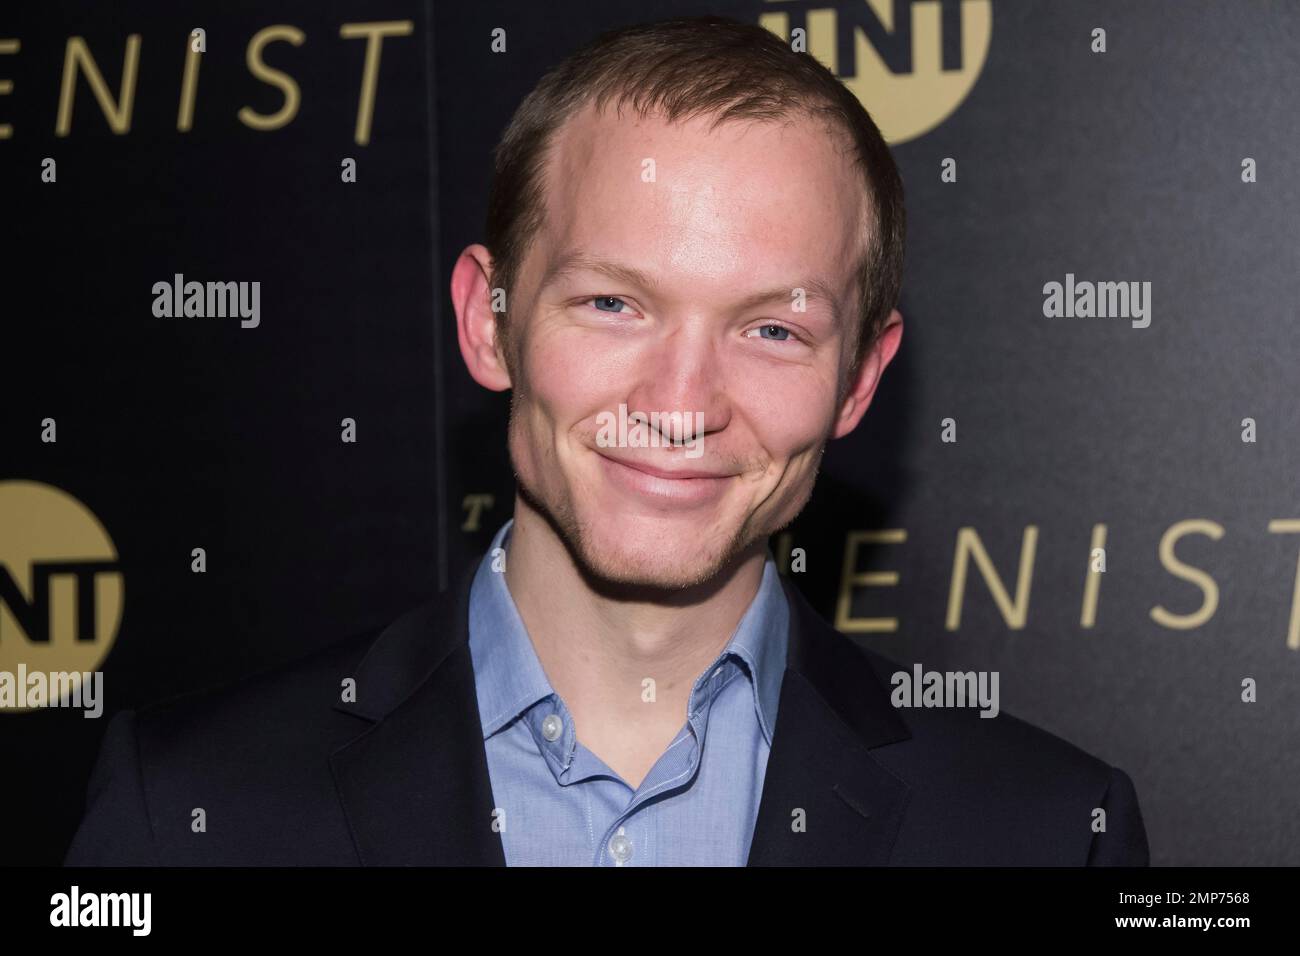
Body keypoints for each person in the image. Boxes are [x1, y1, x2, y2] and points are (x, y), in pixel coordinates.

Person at [65, 15, 1148, 867]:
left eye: (770, 328)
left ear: (859, 377)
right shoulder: (190, 811)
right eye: (612, 304)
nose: (682, 397)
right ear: (487, 322)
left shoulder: (1050, 831)